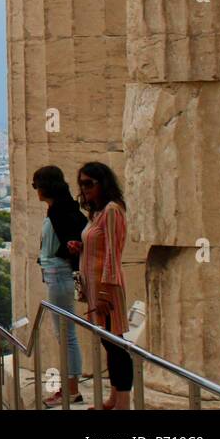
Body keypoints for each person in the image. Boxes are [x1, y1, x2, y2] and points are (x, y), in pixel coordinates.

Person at [69, 162, 130, 410]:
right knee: (109, 343)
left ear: (102, 183)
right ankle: (114, 399)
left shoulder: (113, 210)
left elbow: (114, 254)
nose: (84, 189)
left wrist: (105, 291)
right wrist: (81, 247)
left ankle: (123, 403)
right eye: (81, 184)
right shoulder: (97, 212)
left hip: (108, 288)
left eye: (89, 183)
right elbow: (99, 247)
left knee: (117, 346)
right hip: (96, 288)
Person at [34, 165, 88, 407]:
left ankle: (72, 389)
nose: (35, 190)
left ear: (45, 187)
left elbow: (75, 239)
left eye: (36, 185)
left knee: (66, 335)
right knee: (65, 334)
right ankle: (70, 387)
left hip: (59, 275)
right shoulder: (61, 209)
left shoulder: (60, 212)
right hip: (56, 275)